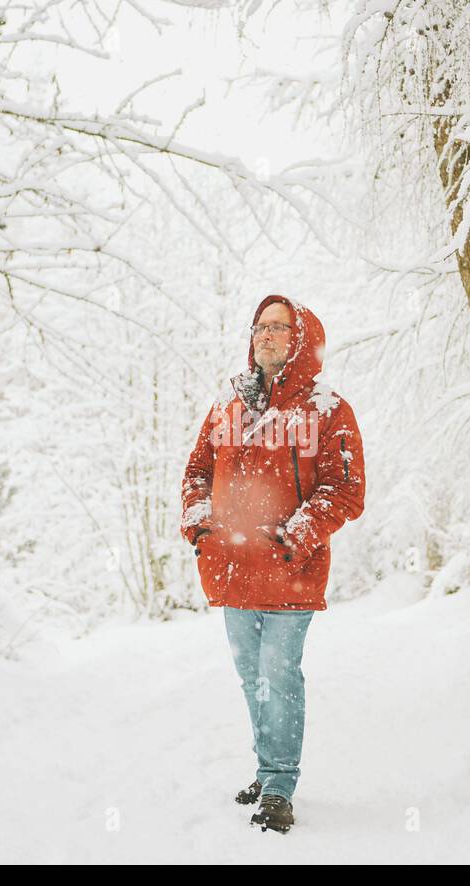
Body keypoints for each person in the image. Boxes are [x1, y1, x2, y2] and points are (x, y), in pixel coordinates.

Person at [180, 293, 366, 833]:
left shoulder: (327, 409)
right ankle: (266, 769)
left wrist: (298, 534)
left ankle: (280, 784)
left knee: (278, 675)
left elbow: (346, 489)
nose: (265, 334)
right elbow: (196, 472)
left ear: (301, 339)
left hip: (290, 570)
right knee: (250, 678)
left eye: (279, 327)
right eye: (260, 326)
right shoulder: (227, 405)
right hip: (232, 569)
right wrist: (200, 526)